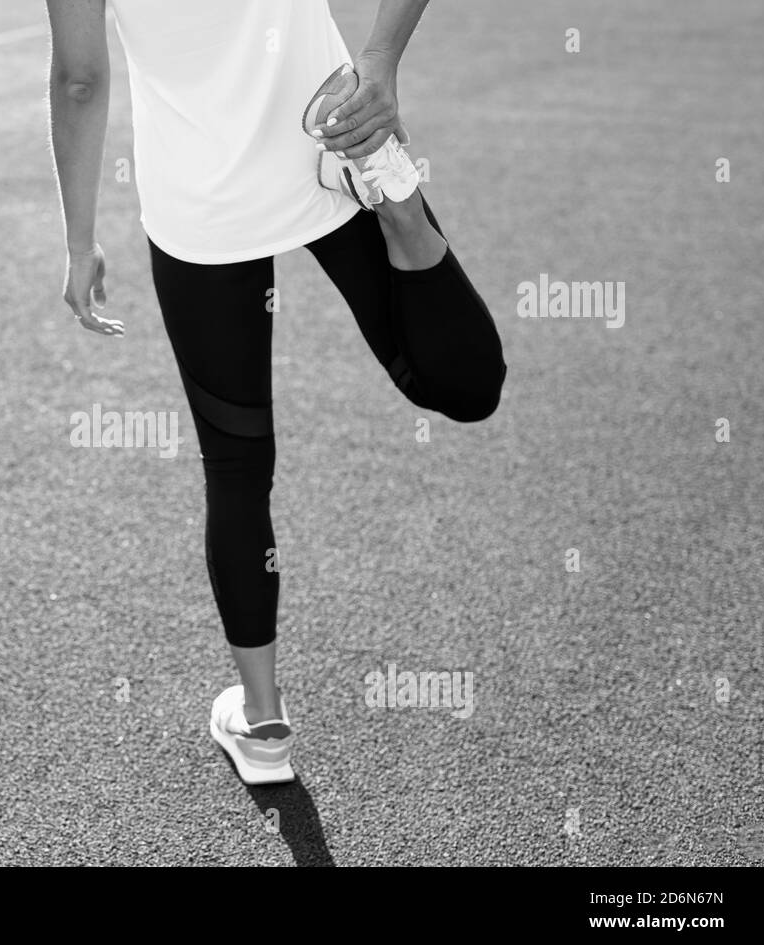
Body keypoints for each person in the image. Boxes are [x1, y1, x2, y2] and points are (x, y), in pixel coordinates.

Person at [44, 0, 506, 784]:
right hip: (333, 139)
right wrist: (383, 57)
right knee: (465, 389)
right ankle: (407, 223)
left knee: (236, 465)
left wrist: (79, 239)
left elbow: (81, 81)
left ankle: (263, 727)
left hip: (203, 205)